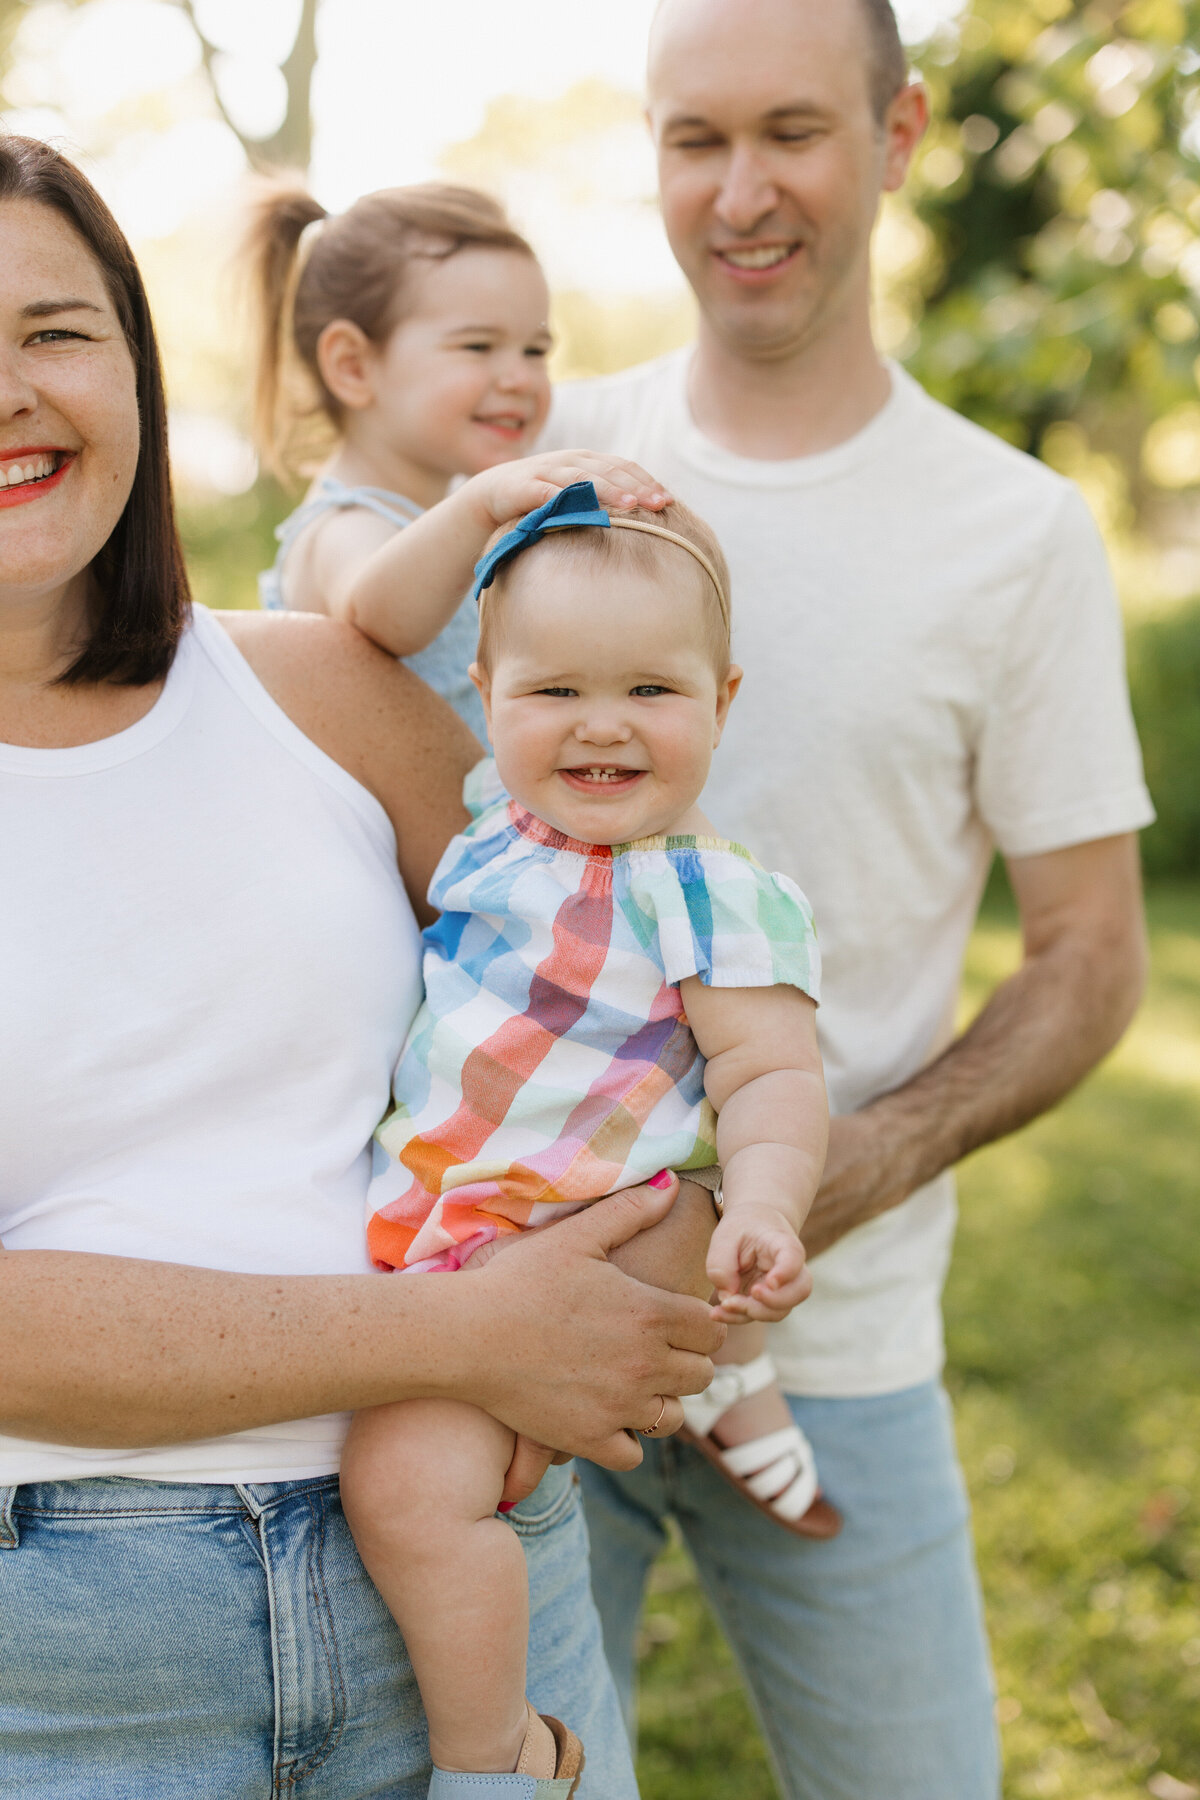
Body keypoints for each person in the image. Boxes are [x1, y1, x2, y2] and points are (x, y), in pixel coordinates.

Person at [0, 133, 724, 1800]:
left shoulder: (324, 694)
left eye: (55, 331)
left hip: (480, 1609)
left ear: (135, 363)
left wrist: (639, 1275)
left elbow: (654, 1002)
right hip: (68, 1681)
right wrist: (461, 1338)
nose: (13, 392)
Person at [536, 1, 1155, 1794]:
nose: (741, 193)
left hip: (841, 1335)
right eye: (695, 139)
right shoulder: (545, 463)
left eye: (791, 132)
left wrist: (853, 1166)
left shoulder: (1014, 533)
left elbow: (1092, 957)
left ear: (897, 137)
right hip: (522, 1333)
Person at [329, 475, 829, 1794]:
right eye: (554, 690)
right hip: (435, 1241)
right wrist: (478, 509)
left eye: (651, 691)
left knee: (405, 1490)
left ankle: (493, 1760)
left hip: (546, 1263)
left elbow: (773, 1071)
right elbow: (368, 621)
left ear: (723, 701)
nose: (602, 725)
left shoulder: (707, 891)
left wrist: (765, 1205)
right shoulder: (494, 825)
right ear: (486, 694)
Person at [246, 179, 554, 739]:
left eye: (535, 350)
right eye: (478, 346)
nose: (520, 378)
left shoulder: (429, 516)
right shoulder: (344, 524)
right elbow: (375, 610)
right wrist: (478, 505)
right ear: (353, 366)